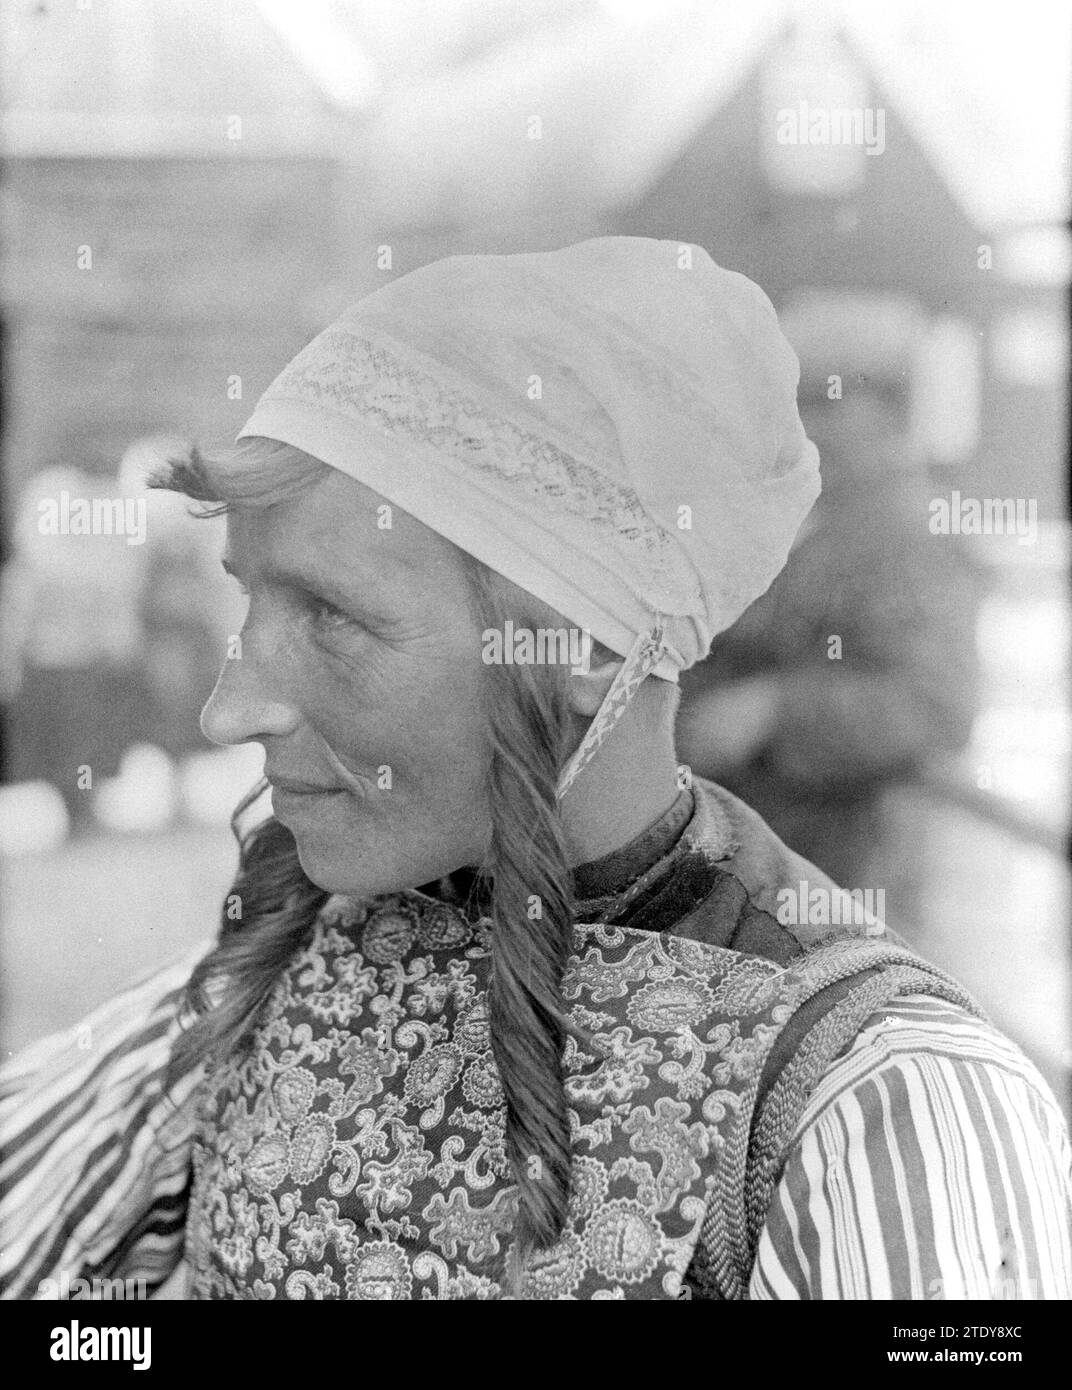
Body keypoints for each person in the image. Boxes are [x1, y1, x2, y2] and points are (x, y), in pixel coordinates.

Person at [1, 238, 1069, 1301]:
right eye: (251, 598)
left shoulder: (870, 1106)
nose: (227, 708)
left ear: (593, 650)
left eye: (332, 615)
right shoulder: (292, 957)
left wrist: (789, 710)